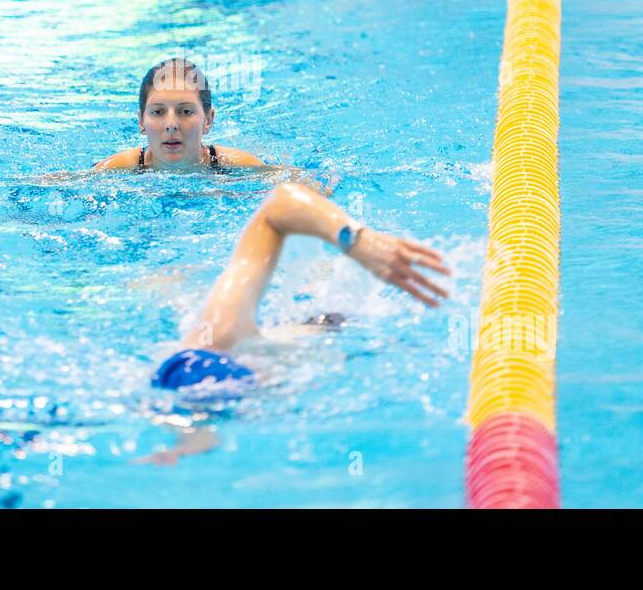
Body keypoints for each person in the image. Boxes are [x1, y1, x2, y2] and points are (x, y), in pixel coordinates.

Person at [140, 181, 449, 463]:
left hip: (324, 324)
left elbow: (282, 200)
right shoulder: (213, 357)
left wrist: (356, 240)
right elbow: (196, 427)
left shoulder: (219, 333)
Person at [93, 57, 267, 172]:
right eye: (158, 112)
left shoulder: (234, 165)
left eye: (185, 111)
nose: (171, 124)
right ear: (141, 121)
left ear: (208, 120)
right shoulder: (118, 168)